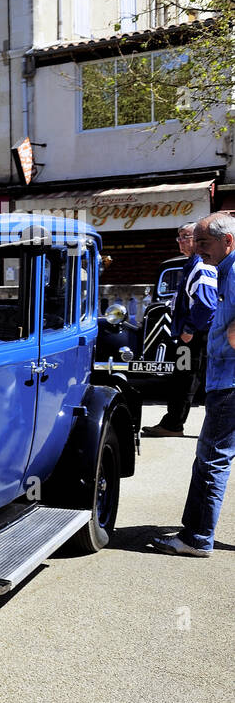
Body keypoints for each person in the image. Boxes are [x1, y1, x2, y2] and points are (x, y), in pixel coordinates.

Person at [151, 212, 235, 557]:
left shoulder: (231, 271)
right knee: (212, 458)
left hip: (229, 382)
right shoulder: (223, 269)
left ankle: (197, 538)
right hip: (224, 379)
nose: (197, 249)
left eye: (203, 242)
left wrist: (227, 337)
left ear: (227, 241)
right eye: (193, 241)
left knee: (211, 459)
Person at [143, 222, 216, 437]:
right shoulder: (193, 264)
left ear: (198, 239)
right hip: (193, 334)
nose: (180, 241)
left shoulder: (201, 265)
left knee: (184, 379)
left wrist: (190, 328)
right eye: (179, 237)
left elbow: (206, 304)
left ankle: (173, 425)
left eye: (185, 236)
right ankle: (173, 423)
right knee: (185, 378)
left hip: (196, 335)